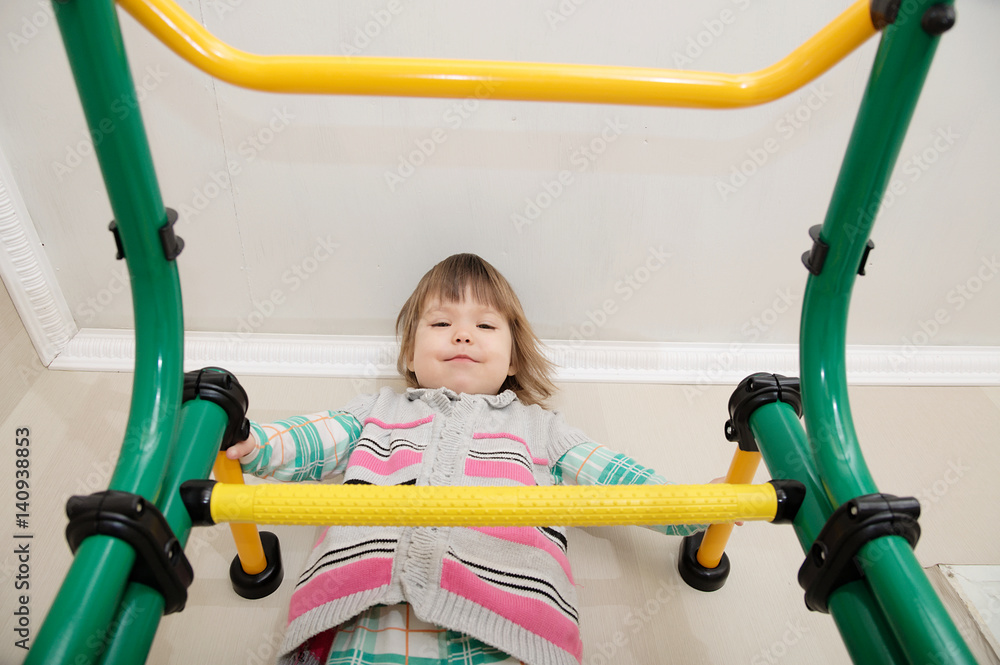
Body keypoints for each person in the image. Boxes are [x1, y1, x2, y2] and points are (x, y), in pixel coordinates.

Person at [226, 253, 705, 665]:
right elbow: (313, 437)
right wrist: (252, 442)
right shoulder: (378, 411)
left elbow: (616, 479)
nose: (462, 335)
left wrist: (691, 506)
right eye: (440, 323)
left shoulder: (539, 429)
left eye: (484, 325)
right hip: (364, 618)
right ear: (410, 355)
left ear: (513, 359)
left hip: (509, 626)